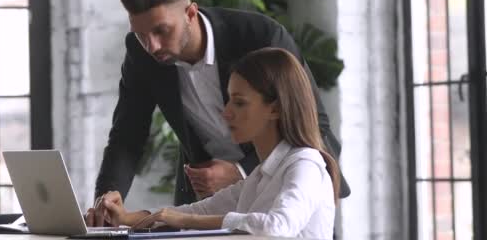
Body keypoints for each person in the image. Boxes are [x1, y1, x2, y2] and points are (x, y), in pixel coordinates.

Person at [93, 0, 349, 209]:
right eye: (141, 34)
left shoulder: (261, 37)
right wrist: (106, 198)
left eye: (162, 30)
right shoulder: (141, 54)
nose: (152, 46)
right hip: (206, 202)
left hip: (284, 189)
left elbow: (313, 124)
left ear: (190, 13)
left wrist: (242, 172)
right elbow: (127, 135)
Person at [88, 48, 340, 239]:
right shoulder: (259, 177)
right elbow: (200, 210)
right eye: (228, 100)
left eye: (239, 103)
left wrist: (184, 220)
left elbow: (277, 227)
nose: (226, 112)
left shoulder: (305, 164)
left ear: (274, 108)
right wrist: (126, 219)